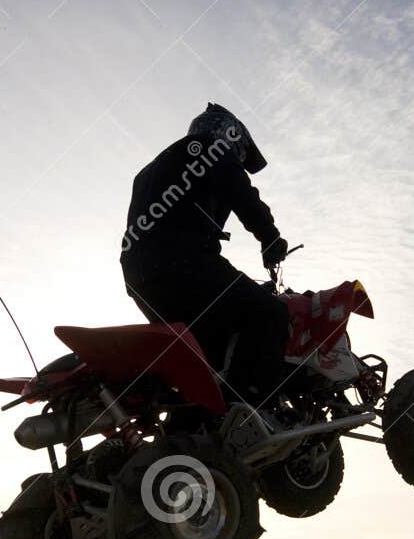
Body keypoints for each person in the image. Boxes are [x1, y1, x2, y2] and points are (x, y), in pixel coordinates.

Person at [120, 103, 290, 409]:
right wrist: (271, 238)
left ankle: (195, 424)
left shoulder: (146, 173)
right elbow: (242, 195)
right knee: (271, 314)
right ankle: (249, 409)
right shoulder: (212, 149)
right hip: (184, 263)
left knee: (210, 354)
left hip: (140, 278)